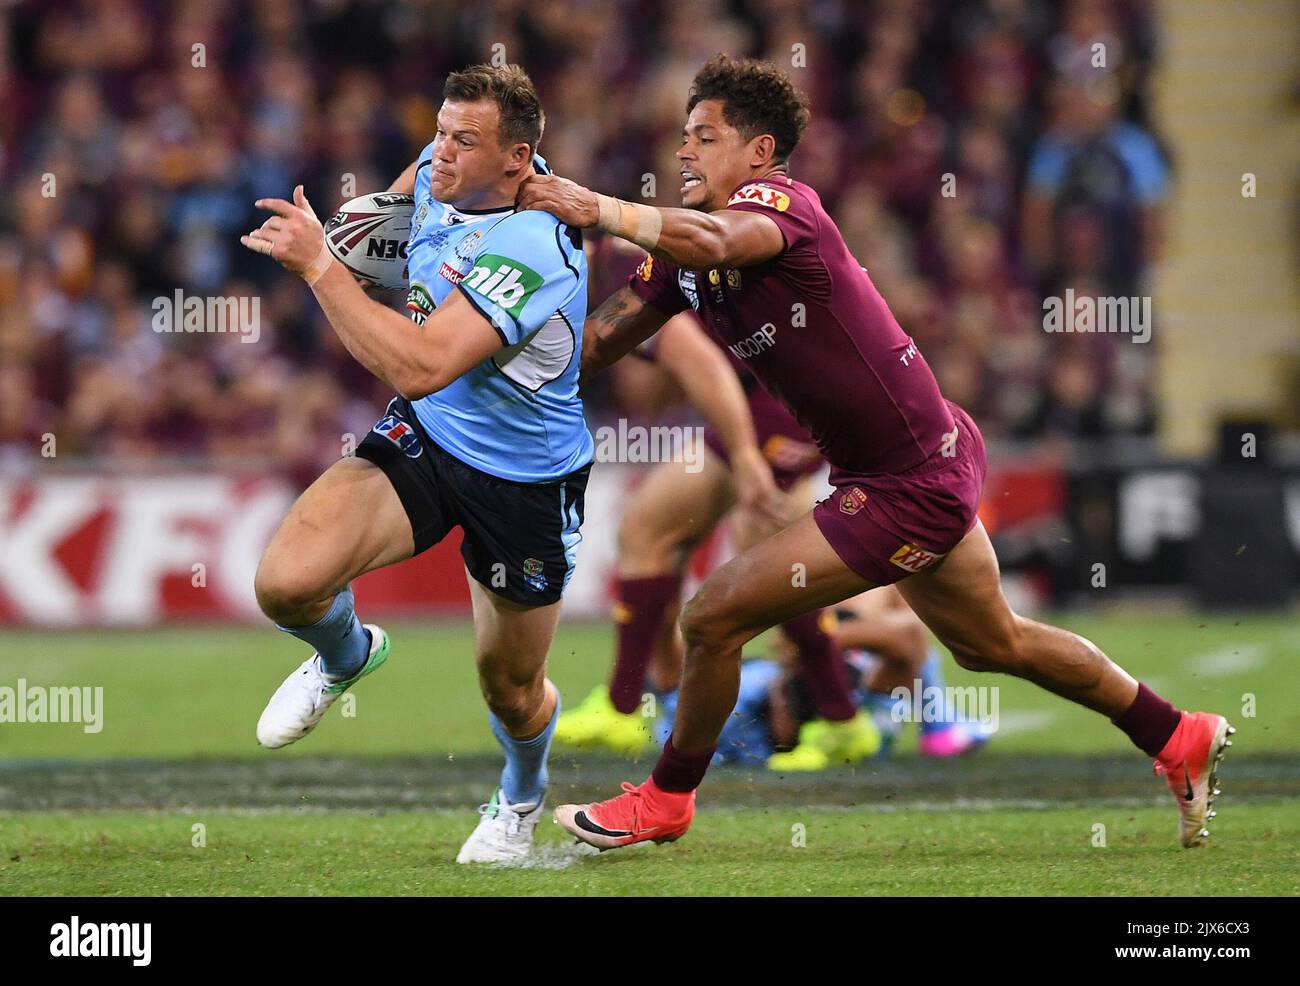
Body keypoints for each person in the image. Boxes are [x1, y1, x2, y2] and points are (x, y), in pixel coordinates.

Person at [517, 54, 1232, 852]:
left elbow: (719, 239)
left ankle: (667, 800)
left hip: (908, 483)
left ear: (758, 153)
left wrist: (600, 206)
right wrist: (522, 297)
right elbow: (588, 352)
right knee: (993, 642)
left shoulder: (775, 203)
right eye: (683, 136)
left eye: (704, 137)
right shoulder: (682, 259)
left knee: (713, 617)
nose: (684, 151)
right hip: (918, 458)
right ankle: (1178, 734)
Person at [241, 64, 592, 864]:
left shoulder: (538, 242)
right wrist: (344, 244)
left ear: (519, 159)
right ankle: (346, 653)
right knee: (286, 583)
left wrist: (321, 268)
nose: (441, 154)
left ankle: (520, 799)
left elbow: (425, 363)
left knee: (510, 687)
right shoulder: (437, 180)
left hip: (526, 480)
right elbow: (391, 240)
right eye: (439, 131)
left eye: (465, 141)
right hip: (431, 438)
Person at [556, 305, 879, 769]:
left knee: (655, 530)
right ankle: (842, 719)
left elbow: (677, 361)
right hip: (774, 404)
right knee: (763, 565)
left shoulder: (651, 256)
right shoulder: (676, 260)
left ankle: (623, 706)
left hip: (779, 409)